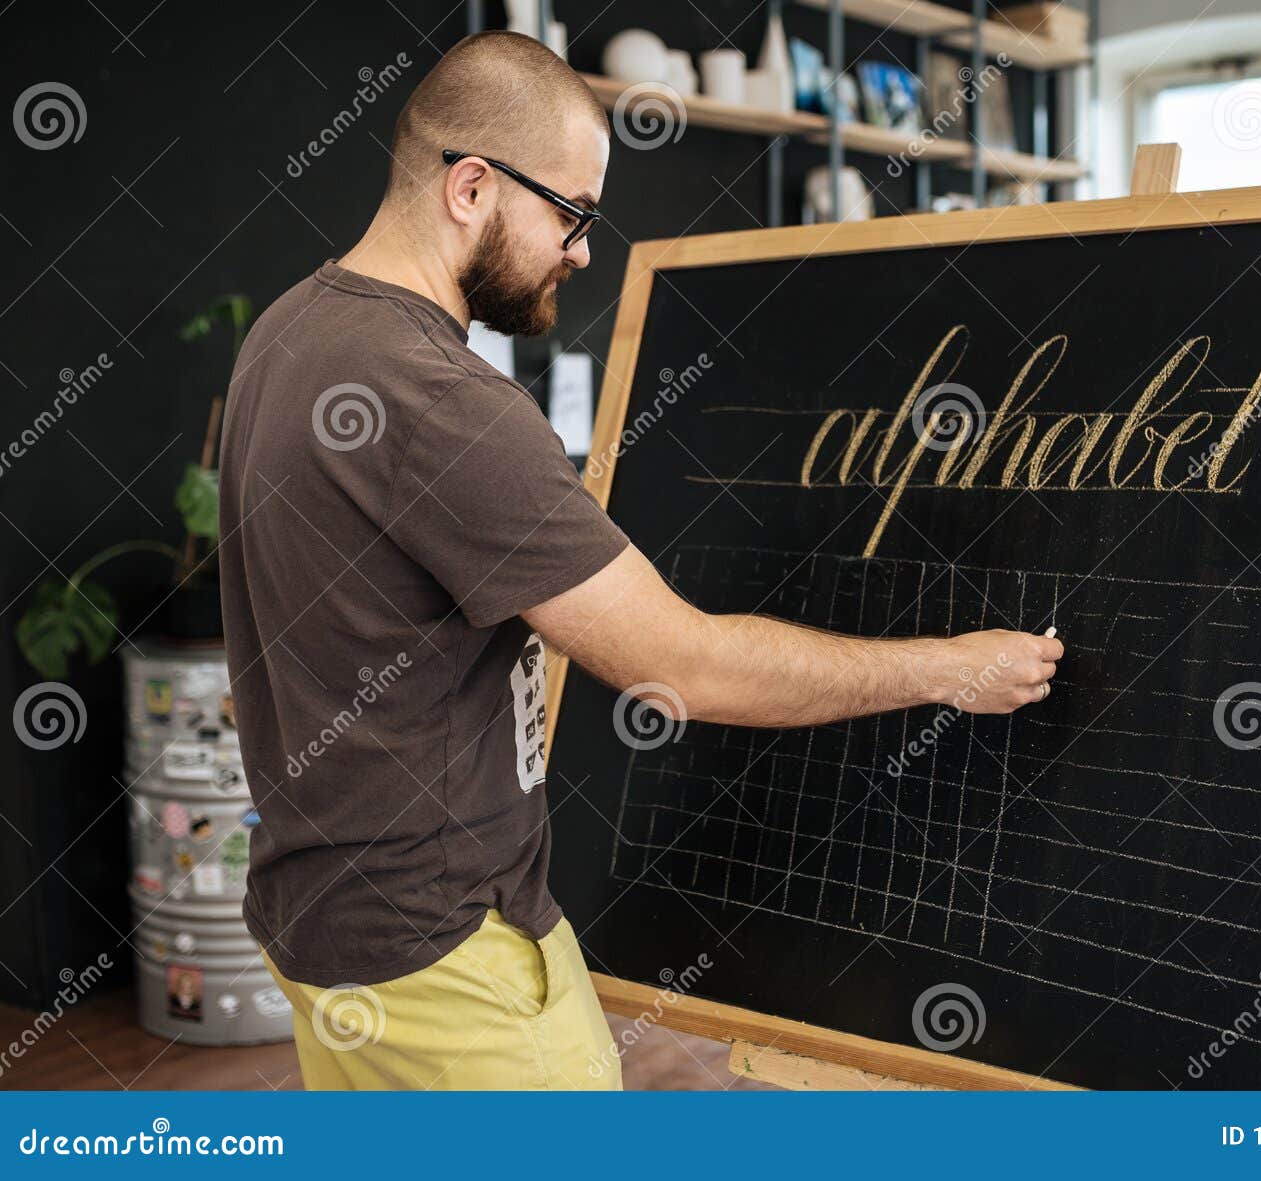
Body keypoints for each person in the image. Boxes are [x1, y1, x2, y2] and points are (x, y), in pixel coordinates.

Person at [217, 31, 1061, 1092]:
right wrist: (947, 670)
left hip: (328, 922)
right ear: (472, 186)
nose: (581, 251)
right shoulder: (447, 403)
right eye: (572, 213)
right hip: (443, 954)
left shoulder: (289, 333)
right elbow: (687, 667)